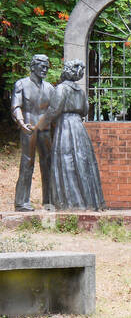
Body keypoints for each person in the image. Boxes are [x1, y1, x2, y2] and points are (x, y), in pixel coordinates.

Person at [38, 60, 105, 211]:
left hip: (66, 127)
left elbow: (54, 110)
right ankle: (89, 202)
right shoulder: (80, 91)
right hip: (79, 128)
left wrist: (41, 124)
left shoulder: (61, 88)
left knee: (66, 162)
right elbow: (85, 110)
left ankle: (71, 203)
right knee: (82, 163)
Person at [11, 54, 54, 211]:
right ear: (33, 66)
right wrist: (21, 123)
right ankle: (22, 202)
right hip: (28, 128)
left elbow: (54, 109)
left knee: (48, 164)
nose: (45, 69)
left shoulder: (50, 88)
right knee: (27, 163)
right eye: (42, 66)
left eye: (47, 67)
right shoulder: (21, 84)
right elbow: (16, 106)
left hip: (45, 129)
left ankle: (49, 201)